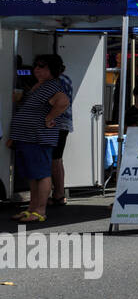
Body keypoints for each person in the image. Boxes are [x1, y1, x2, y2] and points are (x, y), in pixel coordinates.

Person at [5, 55, 71, 223]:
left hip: (39, 138)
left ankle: (40, 210)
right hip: (28, 138)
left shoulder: (52, 86)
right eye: (36, 66)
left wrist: (49, 117)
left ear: (52, 70)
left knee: (41, 174)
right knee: (33, 176)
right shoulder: (40, 85)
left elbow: (63, 102)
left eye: (42, 67)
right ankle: (31, 209)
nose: (37, 69)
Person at [49, 65, 75, 207]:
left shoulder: (57, 82)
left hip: (57, 123)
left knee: (54, 159)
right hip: (63, 123)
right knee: (57, 159)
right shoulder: (66, 79)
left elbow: (58, 102)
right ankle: (59, 193)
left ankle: (58, 194)